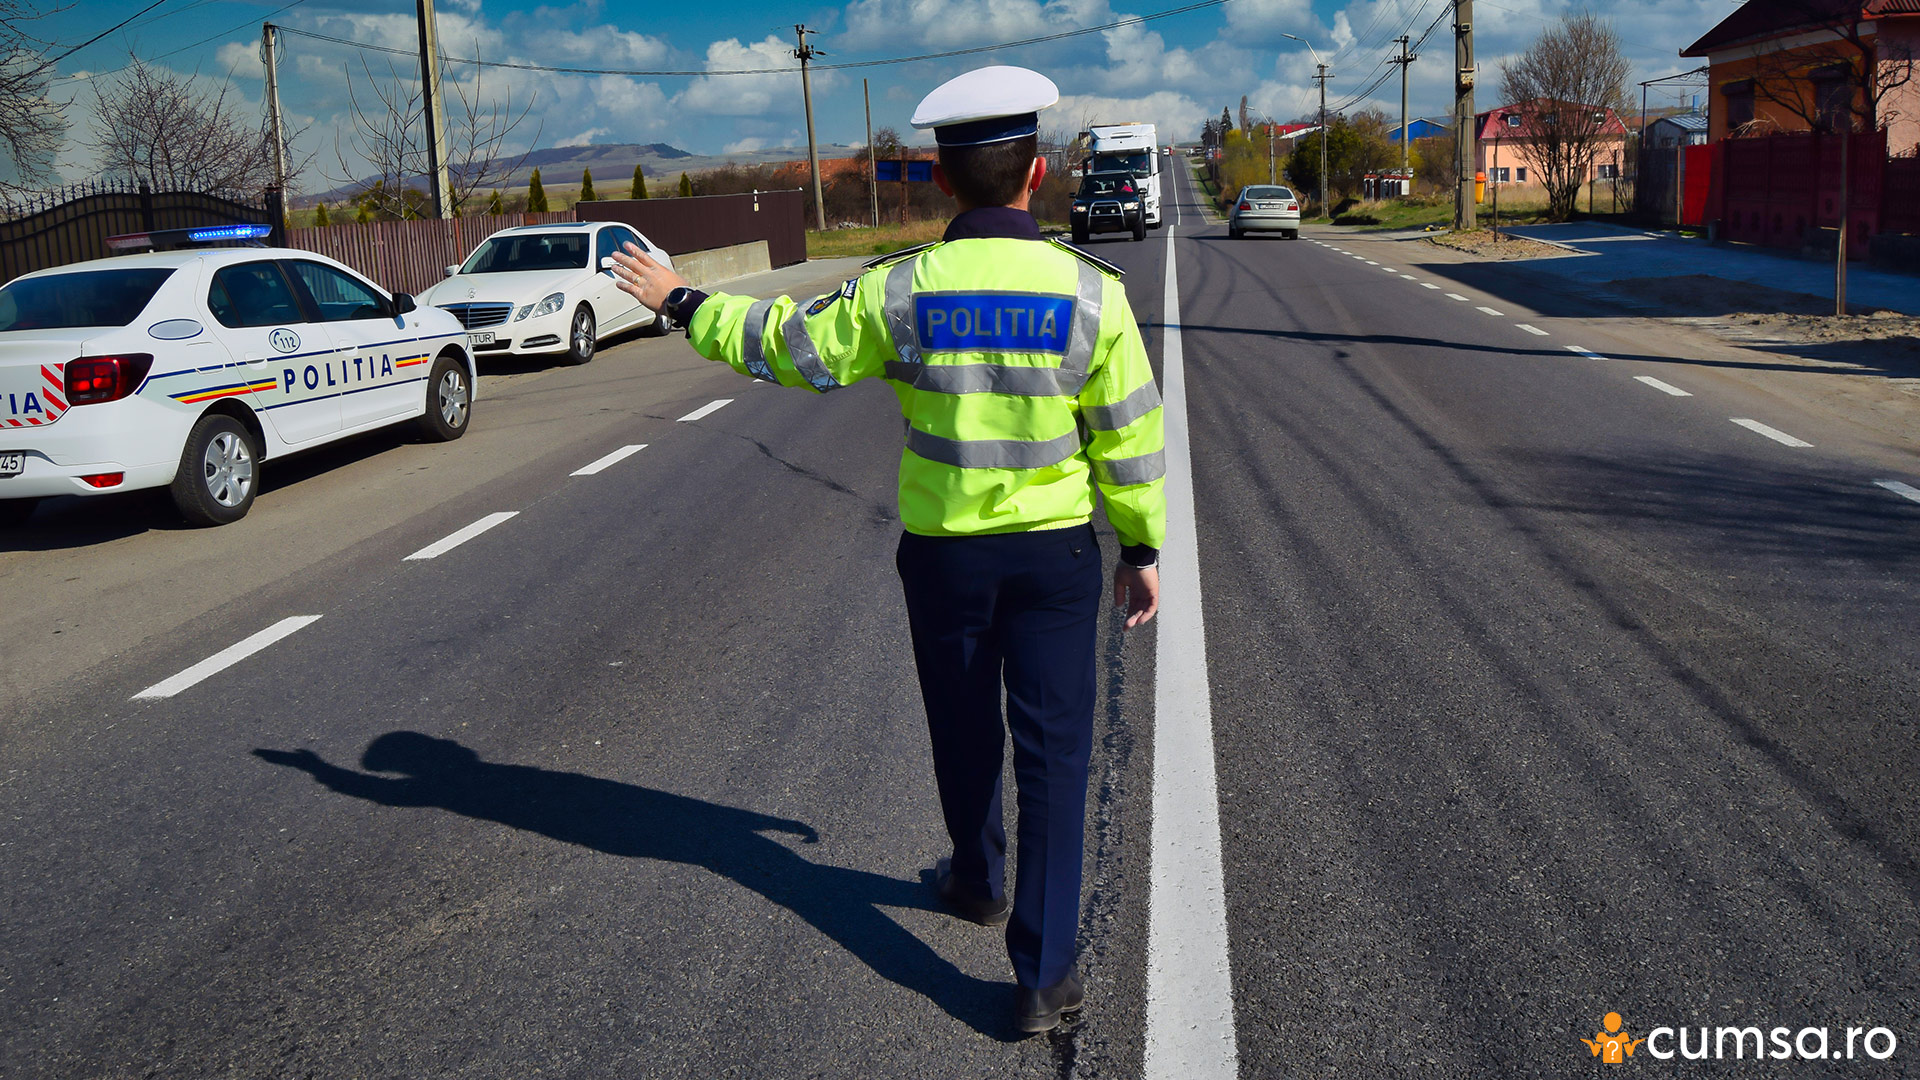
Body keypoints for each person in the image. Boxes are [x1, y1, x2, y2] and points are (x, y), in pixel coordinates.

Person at [609, 64, 1166, 1034]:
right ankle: (1041, 976)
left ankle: (978, 881)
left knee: (962, 731)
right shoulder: (1092, 294)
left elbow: (788, 345)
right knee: (1055, 756)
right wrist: (1141, 545)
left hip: (946, 560)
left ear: (944, 180)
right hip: (1054, 563)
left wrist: (683, 301)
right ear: (1037, 173)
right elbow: (1129, 434)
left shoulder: (899, 291)